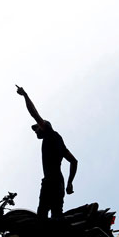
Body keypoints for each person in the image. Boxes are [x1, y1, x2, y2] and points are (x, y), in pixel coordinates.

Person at [16, 85, 77, 219]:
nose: (36, 130)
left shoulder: (50, 134)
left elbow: (34, 113)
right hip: (59, 183)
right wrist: (69, 182)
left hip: (51, 182)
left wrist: (25, 95)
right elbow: (74, 161)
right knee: (56, 216)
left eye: (37, 128)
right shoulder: (60, 143)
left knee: (41, 218)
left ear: (44, 126)